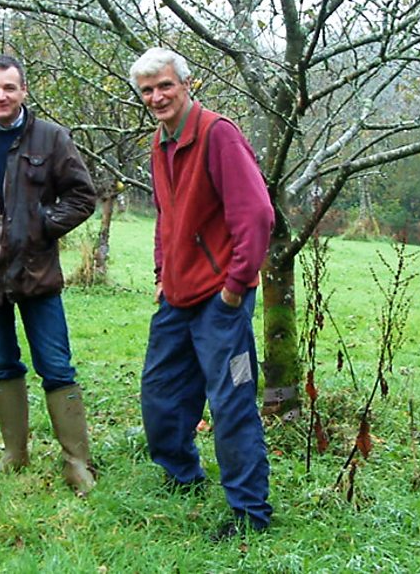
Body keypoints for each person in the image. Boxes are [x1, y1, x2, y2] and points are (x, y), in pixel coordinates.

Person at [130, 47, 276, 540]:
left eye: (165, 86)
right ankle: (181, 475)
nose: (157, 97)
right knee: (161, 393)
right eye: (148, 90)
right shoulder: (161, 141)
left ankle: (249, 513)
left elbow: (256, 216)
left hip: (221, 300)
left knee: (231, 401)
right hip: (176, 294)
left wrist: (235, 288)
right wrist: (160, 272)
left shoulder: (218, 135)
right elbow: (167, 218)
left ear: (186, 84)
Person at [0, 55, 99, 495]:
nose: (1, 96)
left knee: (56, 366)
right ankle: (15, 454)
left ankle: (76, 461)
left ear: (24, 90)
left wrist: (43, 225)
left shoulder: (51, 138)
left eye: (9, 88)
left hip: (36, 274)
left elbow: (82, 195)